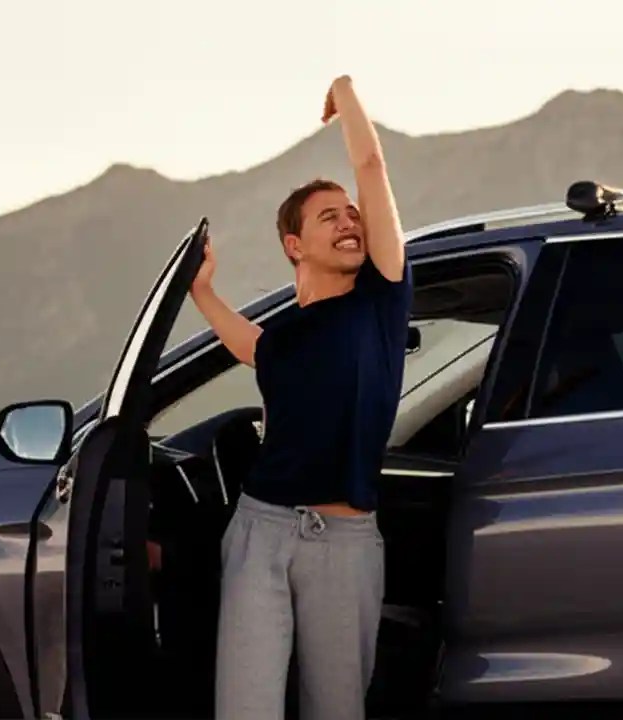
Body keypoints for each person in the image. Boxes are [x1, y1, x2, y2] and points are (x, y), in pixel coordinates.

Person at [188, 74, 412, 720]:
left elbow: (370, 163)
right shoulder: (284, 336)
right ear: (295, 245)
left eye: (352, 213)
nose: (350, 221)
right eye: (329, 216)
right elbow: (249, 345)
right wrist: (202, 292)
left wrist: (344, 93)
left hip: (345, 544)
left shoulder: (381, 298)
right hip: (261, 530)